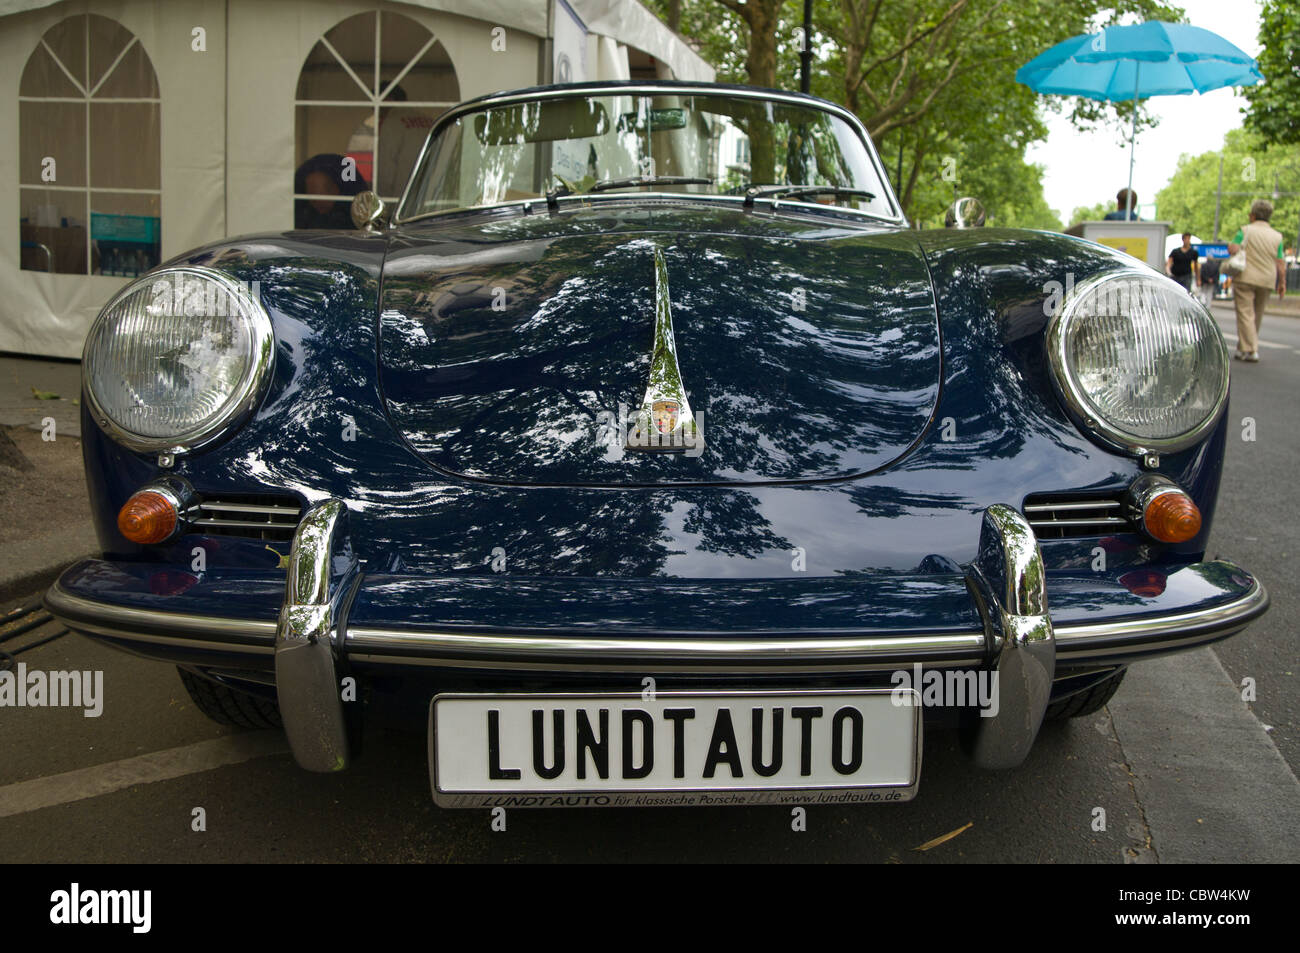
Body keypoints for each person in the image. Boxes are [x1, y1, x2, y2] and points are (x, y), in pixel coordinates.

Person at [1227, 199, 1287, 362]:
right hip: (1267, 279)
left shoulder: (1245, 231)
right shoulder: (1277, 236)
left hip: (1246, 277)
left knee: (1245, 314)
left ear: (1253, 215)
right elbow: (1280, 262)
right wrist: (1282, 283)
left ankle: (1251, 350)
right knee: (1256, 315)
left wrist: (1232, 246)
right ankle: (1242, 349)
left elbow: (1233, 248)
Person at [293, 154, 369, 229]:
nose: (318, 204)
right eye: (314, 200)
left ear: (336, 190)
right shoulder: (304, 218)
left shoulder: (354, 216)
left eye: (321, 197)